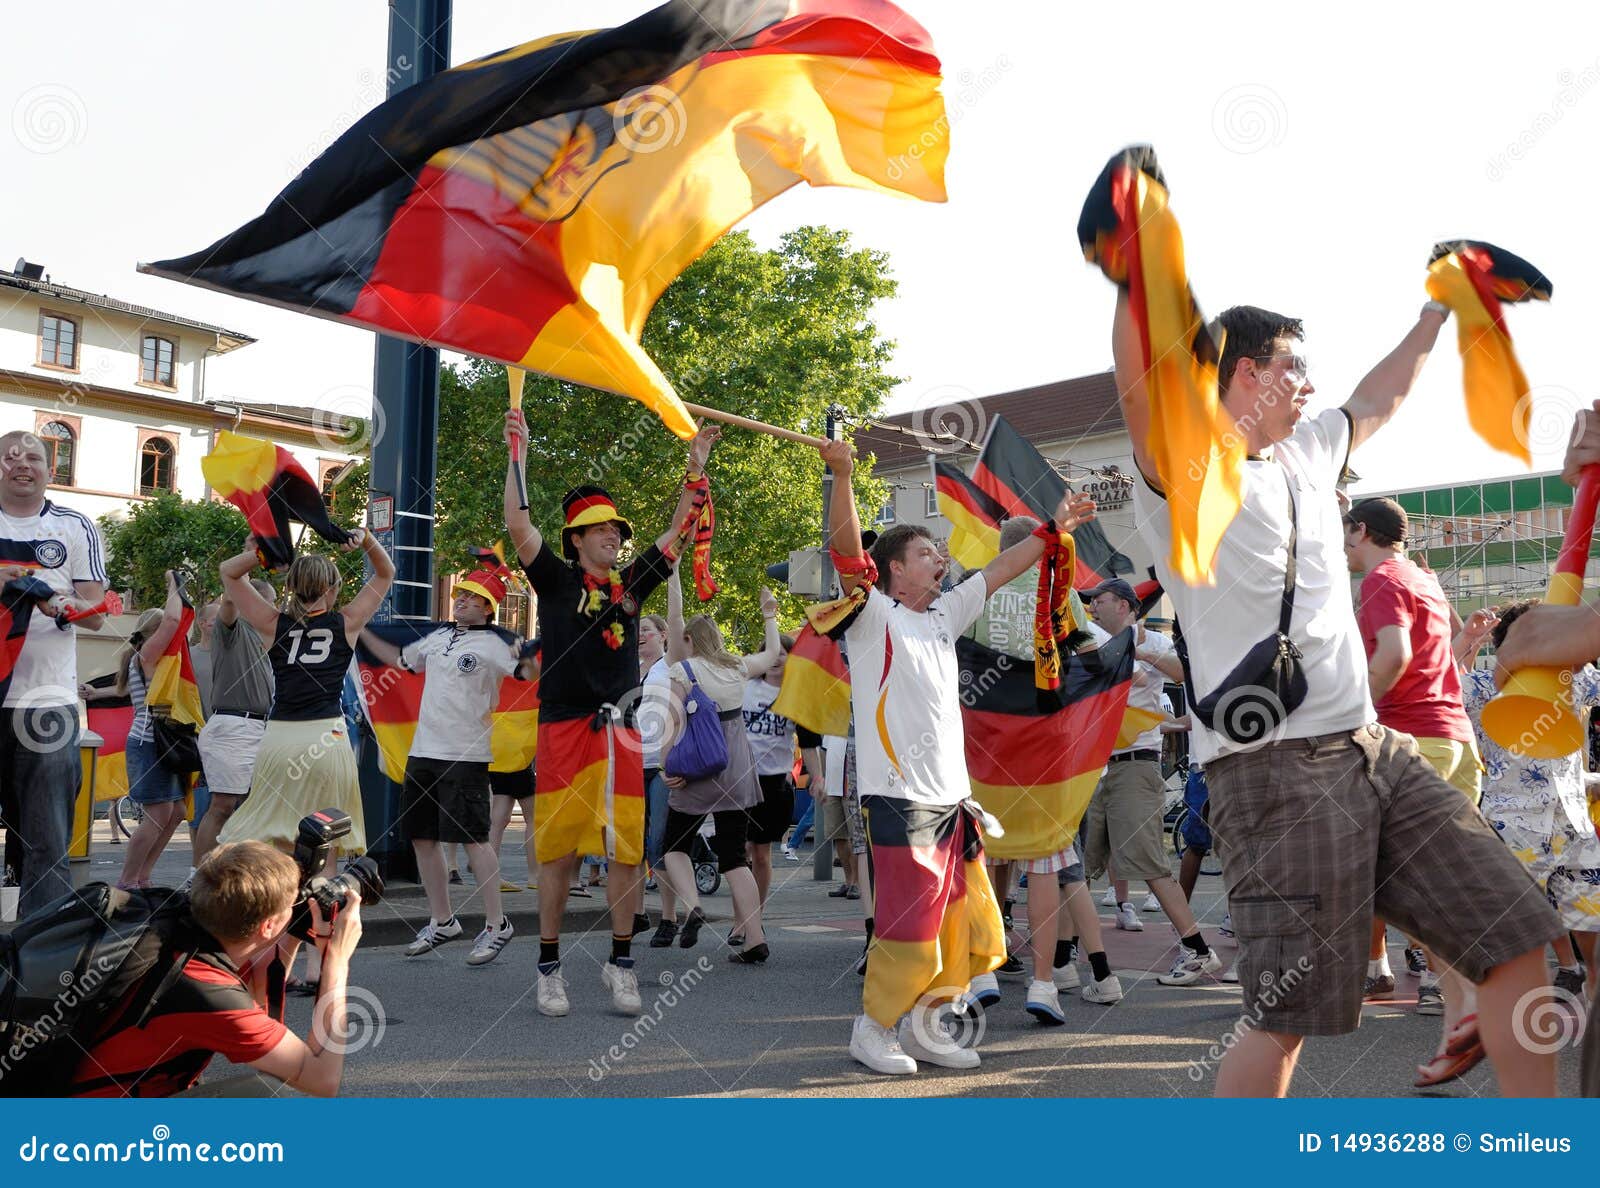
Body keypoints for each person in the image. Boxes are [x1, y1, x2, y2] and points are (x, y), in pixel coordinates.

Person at [1110, 290, 1562, 1096]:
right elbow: (1140, 391)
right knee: (1290, 1016)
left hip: (1373, 747)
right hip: (1274, 770)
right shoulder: (1184, 472)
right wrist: (1129, 279)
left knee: (1517, 934)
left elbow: (1380, 396)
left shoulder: (1309, 454)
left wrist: (1436, 314)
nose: (1311, 384)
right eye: (1296, 367)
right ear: (1249, 375)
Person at [819, 435, 1094, 1075]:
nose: (938, 558)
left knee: (958, 926)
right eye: (923, 553)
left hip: (953, 802)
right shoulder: (873, 617)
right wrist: (842, 475)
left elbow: (1004, 568)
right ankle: (872, 1027)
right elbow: (844, 548)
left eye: (936, 551)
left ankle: (923, 1028)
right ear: (892, 570)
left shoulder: (944, 615)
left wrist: (1055, 529)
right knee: (910, 928)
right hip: (898, 798)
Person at [503, 408, 720, 1018]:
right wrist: (516, 453)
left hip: (622, 733)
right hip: (565, 728)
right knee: (559, 855)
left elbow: (679, 532)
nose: (614, 538)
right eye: (601, 531)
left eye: (618, 532)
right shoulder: (553, 580)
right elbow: (517, 520)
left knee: (627, 851)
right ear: (575, 538)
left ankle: (621, 962)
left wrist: (694, 467)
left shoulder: (630, 589)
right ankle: (548, 966)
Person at [1343, 494, 1487, 1084]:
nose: (1344, 547)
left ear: (1360, 531)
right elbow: (1443, 660)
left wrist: (1354, 710)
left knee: (1397, 887)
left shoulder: (1380, 578)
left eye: (1346, 535)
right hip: (1454, 739)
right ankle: (1462, 1017)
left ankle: (1474, 1005)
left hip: (1410, 740)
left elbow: (1396, 655)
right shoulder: (1425, 580)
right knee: (1429, 887)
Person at [68, 840, 362, 1097]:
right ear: (268, 925)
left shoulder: (178, 923)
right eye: (291, 905)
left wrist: (297, 932)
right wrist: (336, 961)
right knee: (272, 1097)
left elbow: (260, 996)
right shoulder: (206, 993)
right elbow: (323, 1080)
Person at [360, 567, 532, 965]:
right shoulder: (437, 637)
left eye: (472, 598)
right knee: (421, 837)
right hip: (423, 752)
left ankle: (496, 924)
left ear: (489, 608)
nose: (461, 600)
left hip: (466, 754)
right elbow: (401, 661)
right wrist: (361, 632)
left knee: (474, 839)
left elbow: (530, 673)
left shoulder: (496, 644)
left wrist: (525, 651)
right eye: (460, 595)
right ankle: (442, 920)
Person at [217, 533, 394, 862]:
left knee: (274, 845)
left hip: (280, 738)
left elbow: (228, 571)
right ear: (332, 589)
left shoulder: (272, 624)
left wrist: (266, 552)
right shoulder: (347, 622)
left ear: (294, 586)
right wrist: (367, 539)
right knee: (324, 844)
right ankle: (322, 909)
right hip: (327, 737)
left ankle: (278, 906)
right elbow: (386, 573)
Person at [1080, 577, 1218, 984]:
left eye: (1099, 601)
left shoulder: (1151, 641)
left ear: (1123, 605)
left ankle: (1198, 951)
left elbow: (1181, 674)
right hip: (1096, 767)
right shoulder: (1088, 638)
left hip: (1136, 766)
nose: (1092, 608)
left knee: (1149, 865)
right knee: (1075, 868)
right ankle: (1063, 958)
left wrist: (1132, 651)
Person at [1460, 602, 1600, 992]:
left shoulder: (1575, 679)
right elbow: (1433, 685)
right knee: (1513, 926)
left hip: (1572, 822)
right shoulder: (1485, 686)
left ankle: (1593, 991)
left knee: (1591, 917)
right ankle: (1511, 1005)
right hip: (1513, 824)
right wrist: (1467, 639)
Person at [0, 429, 108, 918]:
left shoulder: (75, 526)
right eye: (10, 457)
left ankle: (41, 959)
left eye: (35, 458)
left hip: (46, 701)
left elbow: (98, 613)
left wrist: (58, 602)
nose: (23, 465)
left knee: (47, 840)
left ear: (51, 469)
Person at [658, 572, 783, 961]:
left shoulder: (684, 671)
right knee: (734, 857)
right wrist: (769, 615)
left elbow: (672, 721)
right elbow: (771, 653)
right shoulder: (737, 668)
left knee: (674, 846)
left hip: (697, 767)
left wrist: (666, 766)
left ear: (690, 641)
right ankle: (754, 937)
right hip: (737, 768)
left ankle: (693, 905)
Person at [192, 578, 277, 866]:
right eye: (269, 602)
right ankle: (198, 877)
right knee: (222, 806)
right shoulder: (232, 630)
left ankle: (243, 875)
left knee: (254, 808)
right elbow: (228, 600)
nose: (274, 609)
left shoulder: (265, 640)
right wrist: (248, 560)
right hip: (233, 725)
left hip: (260, 728)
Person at [113, 573, 189, 890]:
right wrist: (175, 588)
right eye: (162, 632)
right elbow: (173, 619)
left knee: (176, 811)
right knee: (158, 812)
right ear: (151, 634)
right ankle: (127, 880)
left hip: (161, 743)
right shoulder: (146, 656)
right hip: (148, 743)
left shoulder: (150, 660)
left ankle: (143, 876)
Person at [742, 632, 822, 907]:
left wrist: (818, 777)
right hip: (738, 780)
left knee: (761, 853)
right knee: (740, 850)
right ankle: (743, 915)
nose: (775, 659)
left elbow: (809, 744)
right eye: (769, 652)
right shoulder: (744, 686)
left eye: (782, 653)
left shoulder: (797, 697)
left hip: (773, 783)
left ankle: (754, 914)